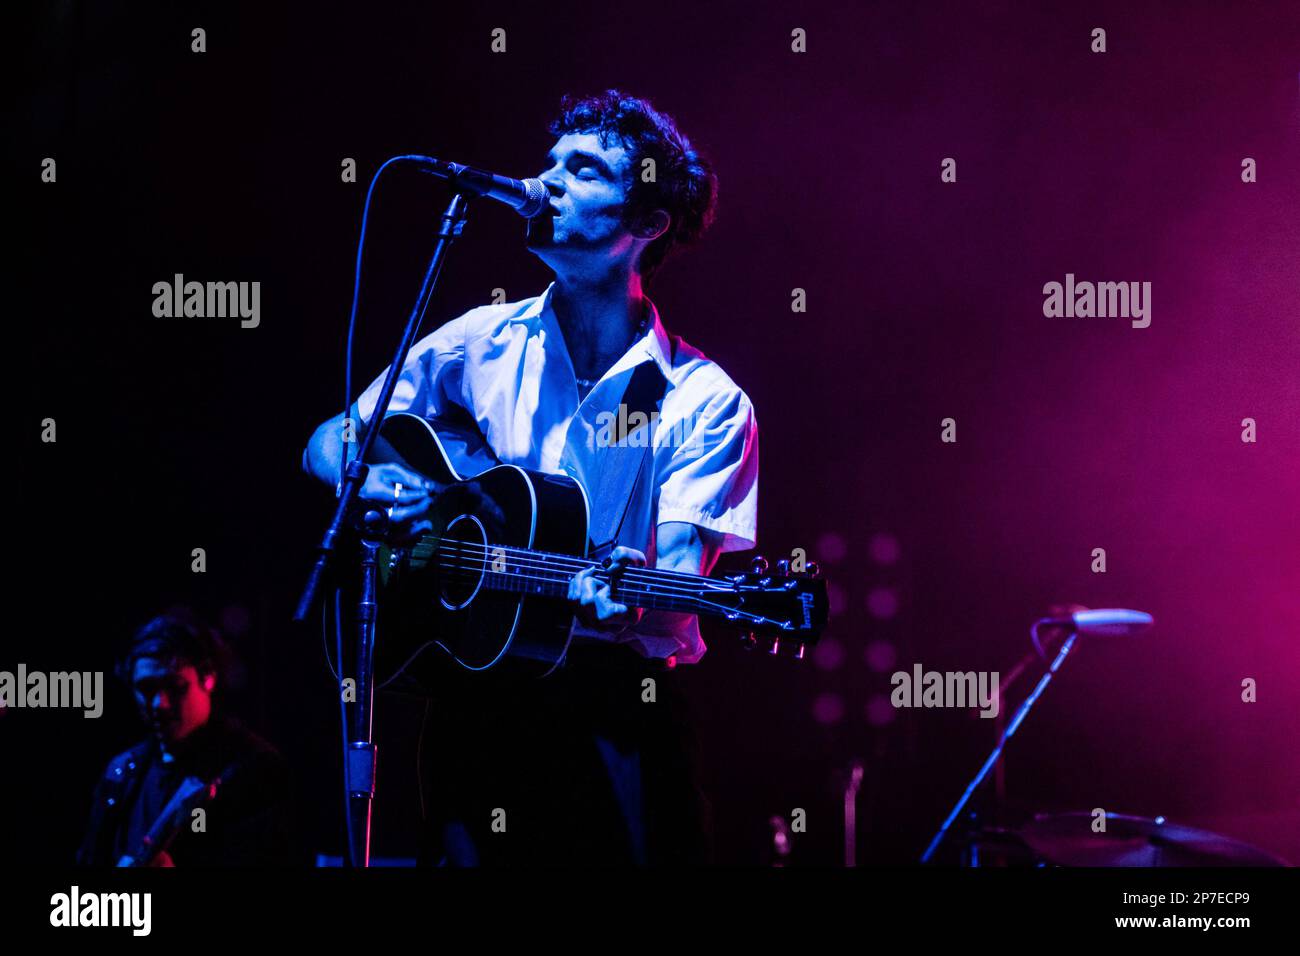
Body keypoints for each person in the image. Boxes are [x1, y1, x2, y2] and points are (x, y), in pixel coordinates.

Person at [303, 90, 759, 864]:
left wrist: (621, 599)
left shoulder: (704, 400)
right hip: (475, 703)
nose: (544, 181)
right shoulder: (479, 341)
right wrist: (371, 480)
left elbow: (676, 576)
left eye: (581, 171)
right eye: (549, 163)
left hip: (617, 714)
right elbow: (332, 436)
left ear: (646, 225)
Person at [77, 610, 299, 866]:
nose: (160, 703)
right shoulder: (121, 773)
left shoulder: (255, 770)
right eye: (146, 689)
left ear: (208, 678)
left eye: (175, 686)